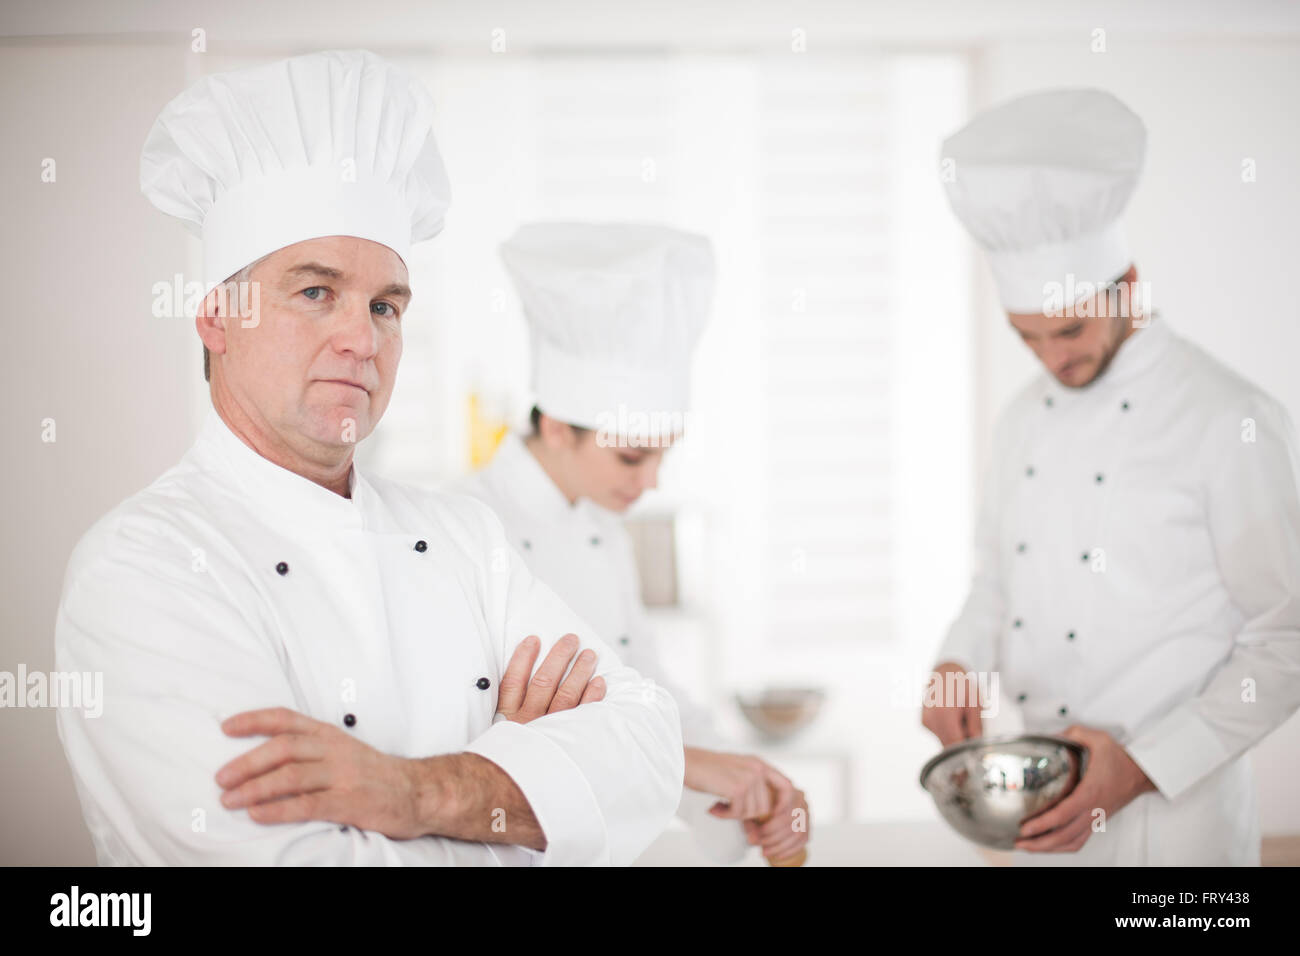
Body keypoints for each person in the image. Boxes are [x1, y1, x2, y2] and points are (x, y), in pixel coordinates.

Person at [54, 50, 684, 867]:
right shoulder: (142, 567)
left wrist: (415, 792)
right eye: (315, 291)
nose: (362, 339)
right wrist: (526, 798)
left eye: (385, 304)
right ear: (216, 317)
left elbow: (647, 746)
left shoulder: (466, 539)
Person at [922, 88, 1300, 865]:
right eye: (1027, 337)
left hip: (1175, 829)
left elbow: (1286, 637)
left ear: (1126, 283)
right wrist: (959, 663)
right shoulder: (1023, 418)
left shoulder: (1229, 417)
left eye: (1069, 329)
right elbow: (996, 579)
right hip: (1041, 815)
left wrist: (1142, 767)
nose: (1053, 359)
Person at [452, 222, 810, 865]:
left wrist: (750, 797)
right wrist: (690, 766)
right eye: (632, 457)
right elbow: (496, 737)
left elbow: (648, 683)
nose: (650, 483)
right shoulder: (466, 527)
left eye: (662, 457)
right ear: (558, 427)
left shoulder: (600, 526)